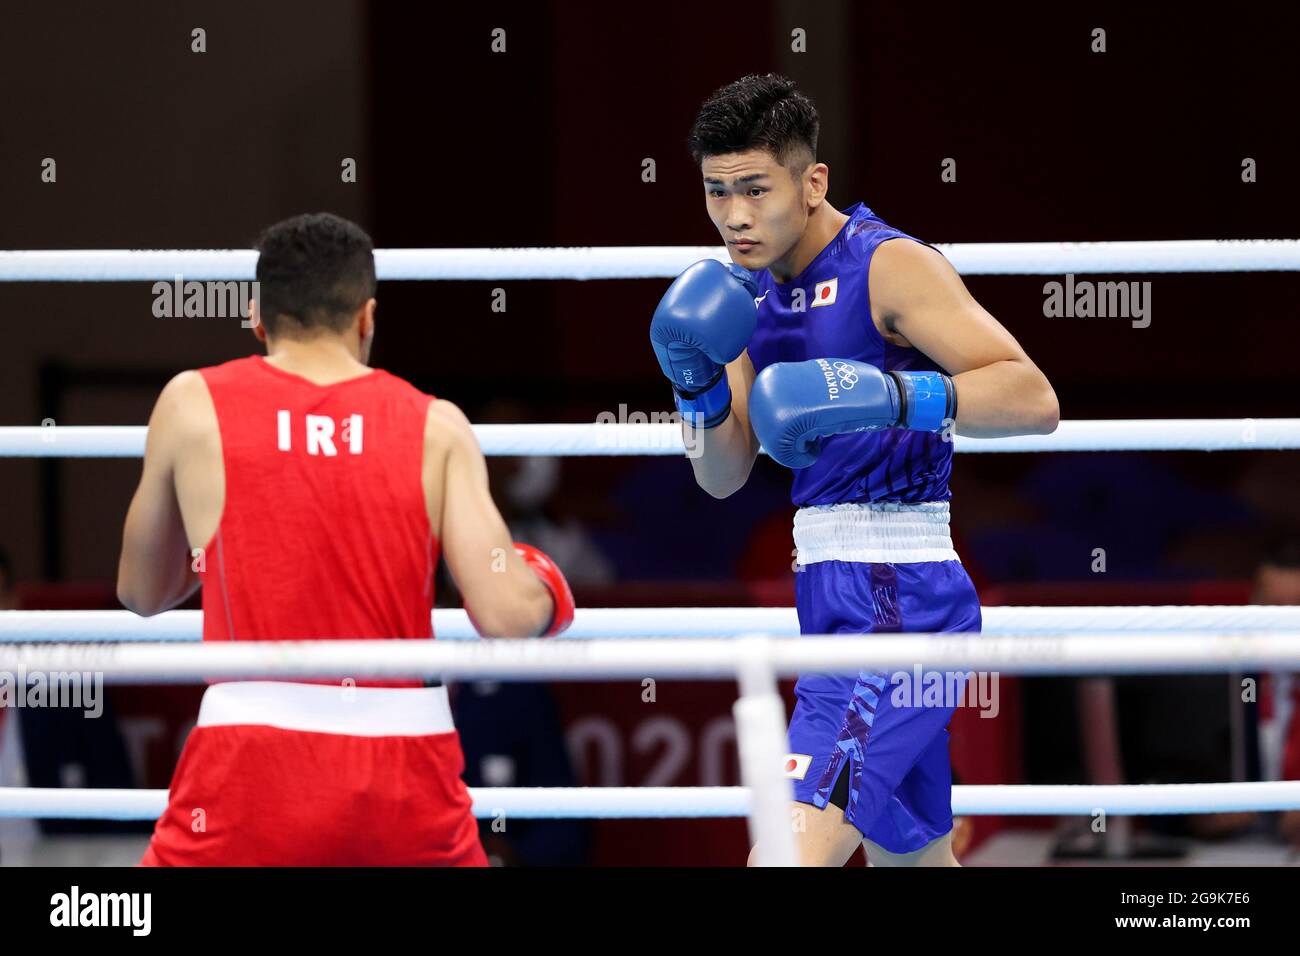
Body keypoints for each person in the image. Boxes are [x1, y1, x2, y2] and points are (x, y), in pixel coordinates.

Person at [651, 74, 1058, 867]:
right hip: (828, 592)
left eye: (755, 189)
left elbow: (1032, 397)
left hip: (902, 599)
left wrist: (892, 396)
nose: (734, 215)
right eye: (716, 192)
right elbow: (723, 475)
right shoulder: (737, 296)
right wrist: (694, 383)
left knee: (787, 851)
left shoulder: (888, 265)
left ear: (812, 182)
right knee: (915, 861)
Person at [117, 212, 574, 866]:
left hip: (247, 755)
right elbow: (507, 614)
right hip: (401, 767)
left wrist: (220, 547)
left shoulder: (191, 404)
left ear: (256, 317)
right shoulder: (435, 426)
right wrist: (546, 583)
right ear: (367, 318)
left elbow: (140, 591)